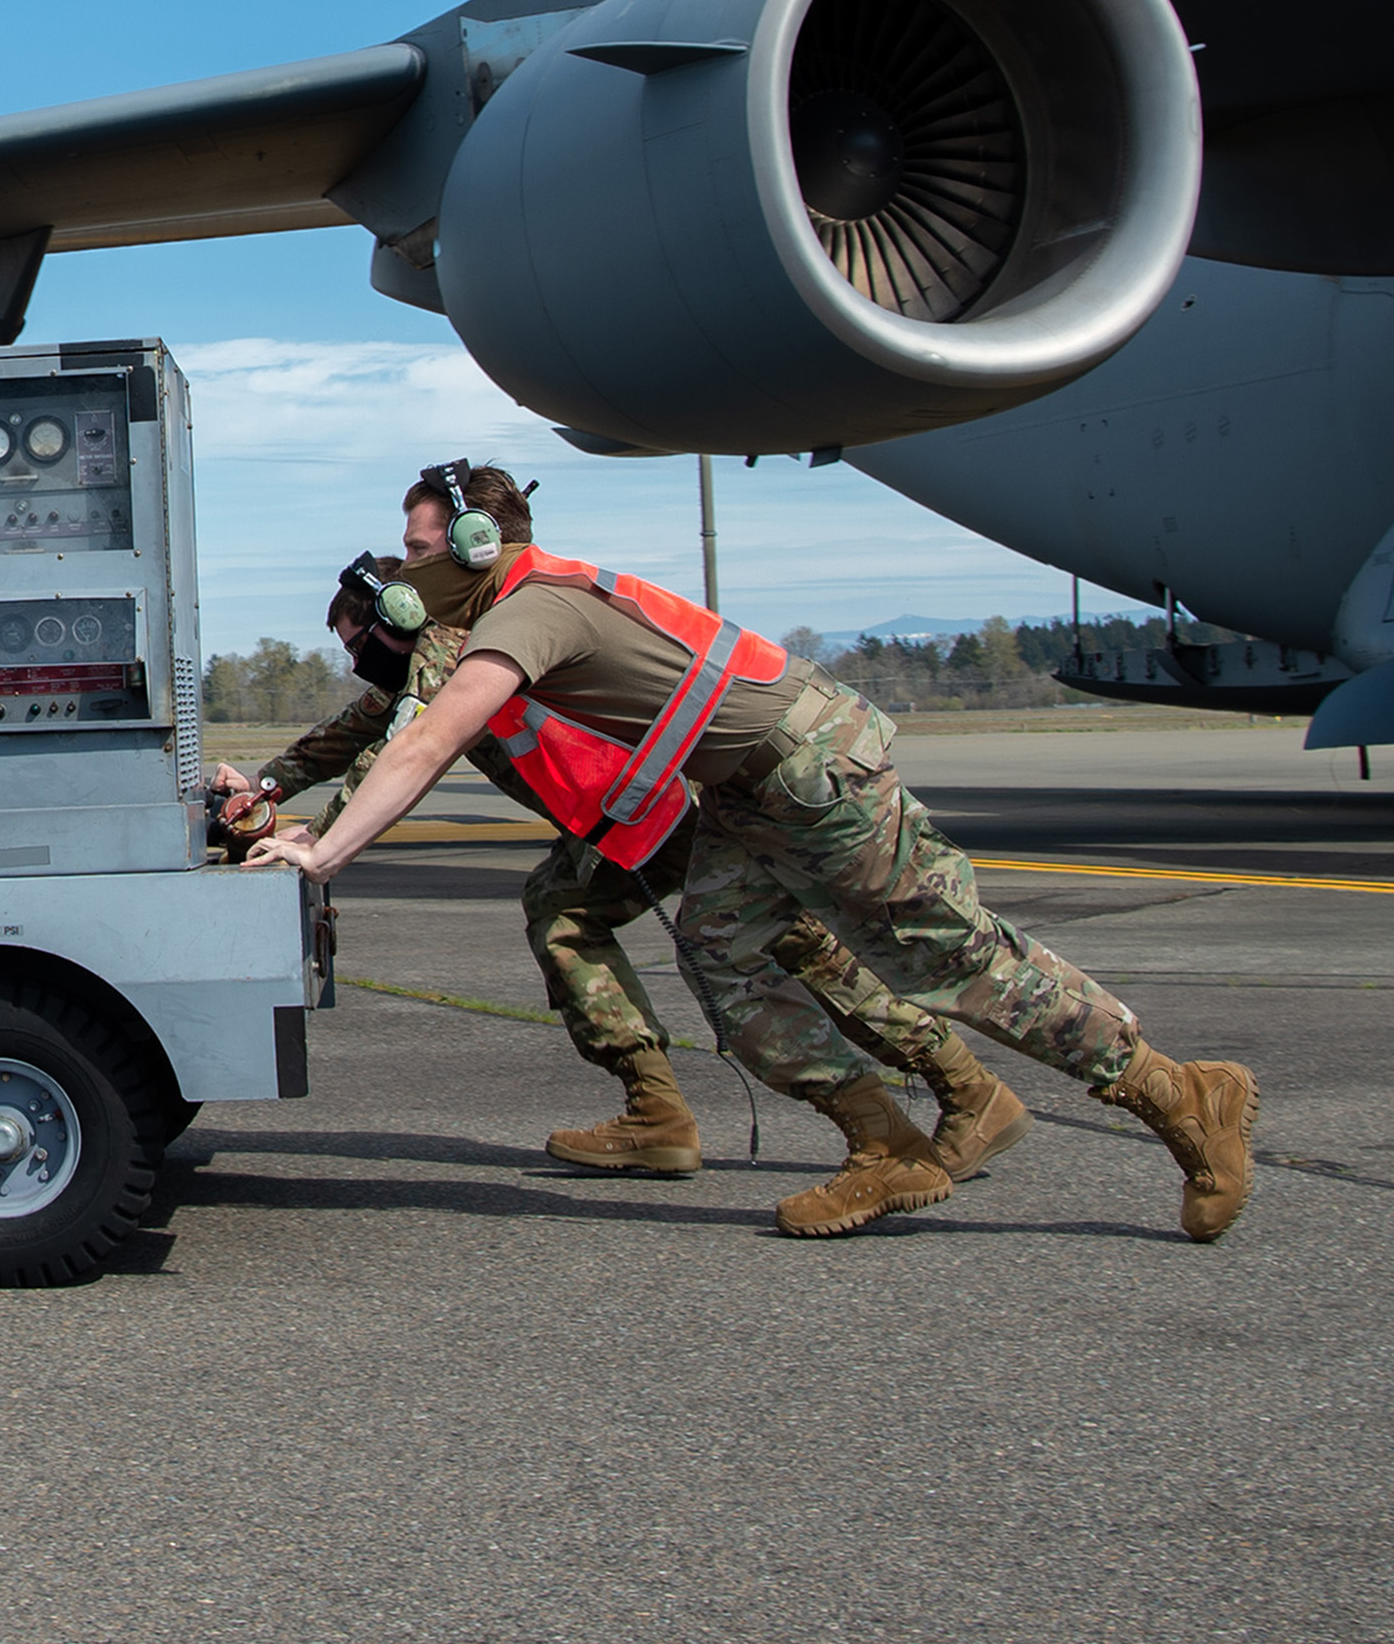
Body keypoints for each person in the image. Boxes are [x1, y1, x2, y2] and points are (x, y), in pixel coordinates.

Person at [251, 461, 1259, 1243]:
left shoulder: (529, 611)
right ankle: (887, 1144)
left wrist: (325, 850)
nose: (403, 566)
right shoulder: (506, 608)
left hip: (813, 769)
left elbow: (427, 737)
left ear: (475, 542)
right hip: (746, 787)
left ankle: (1177, 1095)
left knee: (954, 965)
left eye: (415, 543)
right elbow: (395, 723)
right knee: (723, 953)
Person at [214, 550, 1022, 1196]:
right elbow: (347, 733)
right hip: (621, 822)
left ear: (400, 617)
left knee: (797, 946)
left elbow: (406, 744)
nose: (356, 662)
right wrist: (266, 787)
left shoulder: (447, 650)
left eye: (357, 643)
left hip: (657, 811)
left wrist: (316, 835)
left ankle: (963, 1088)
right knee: (569, 911)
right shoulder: (420, 666)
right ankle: (661, 1114)